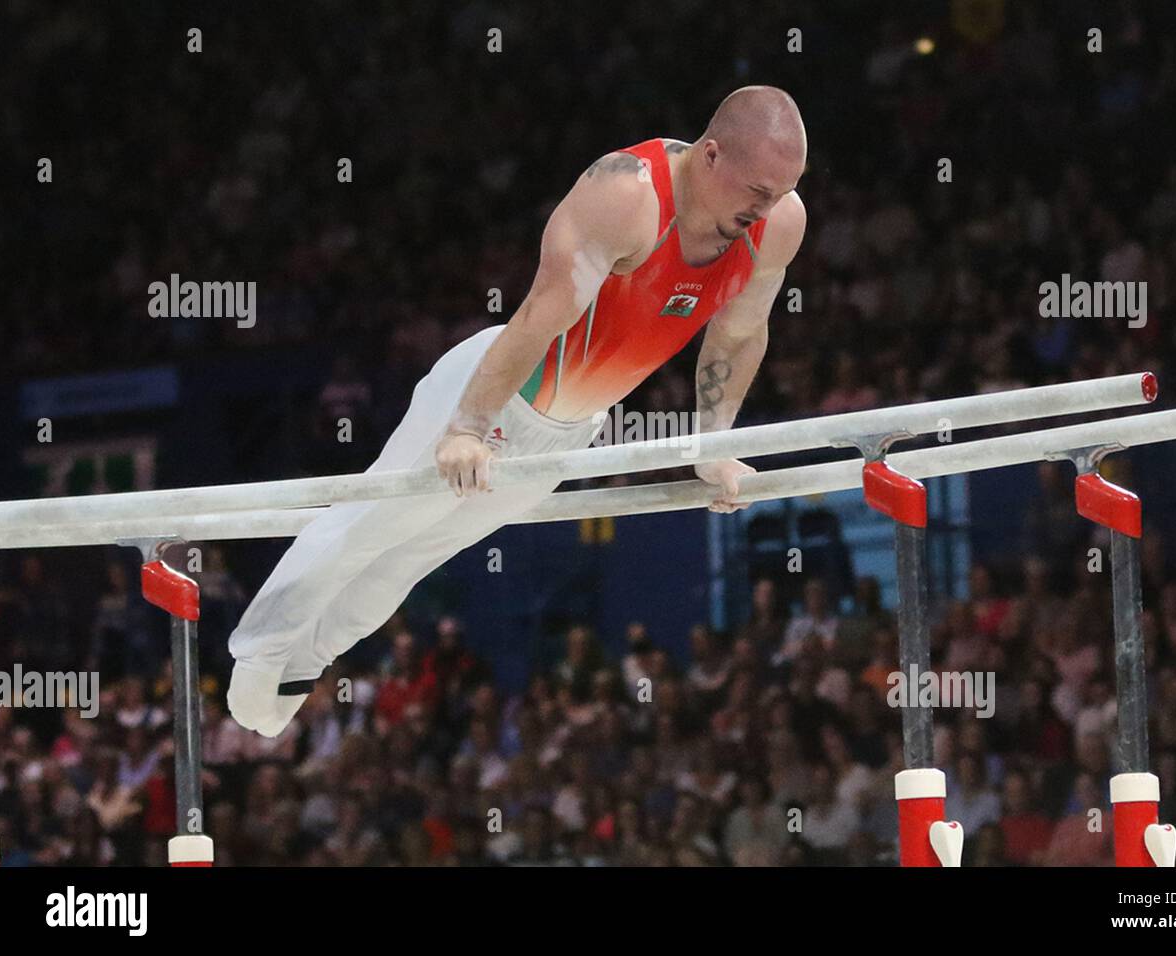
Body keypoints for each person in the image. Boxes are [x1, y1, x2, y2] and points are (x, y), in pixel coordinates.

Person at [227, 86, 808, 735]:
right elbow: (537, 316)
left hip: (567, 433)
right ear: (710, 154)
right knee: (372, 523)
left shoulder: (779, 224)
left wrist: (712, 446)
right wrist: (467, 427)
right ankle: (260, 652)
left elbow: (738, 332)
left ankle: (309, 656)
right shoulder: (627, 195)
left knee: (416, 553)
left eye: (782, 192)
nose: (767, 209)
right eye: (757, 190)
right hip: (493, 390)